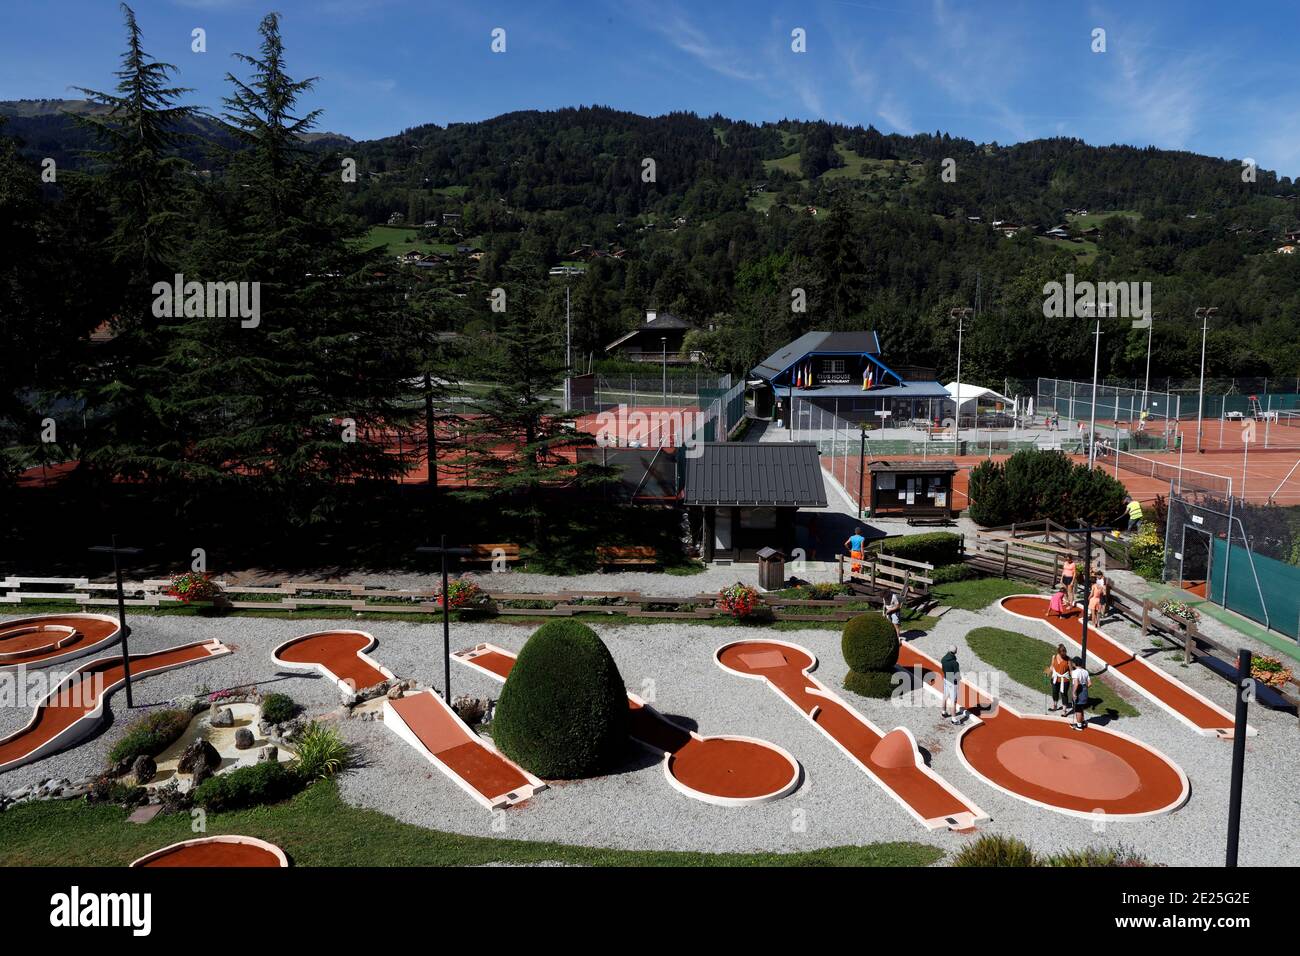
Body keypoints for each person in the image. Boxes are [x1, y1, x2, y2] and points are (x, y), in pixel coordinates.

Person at [1044, 644, 1072, 713]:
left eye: (1065, 654)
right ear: (1059, 653)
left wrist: (1075, 679)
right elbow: (1051, 666)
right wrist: (1046, 672)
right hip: (1055, 678)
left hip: (1064, 680)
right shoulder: (1054, 657)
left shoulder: (1068, 660)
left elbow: (1071, 671)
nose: (1064, 656)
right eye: (1063, 655)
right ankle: (1055, 706)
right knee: (1054, 692)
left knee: (1064, 694)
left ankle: (1064, 710)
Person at [940, 645, 964, 724]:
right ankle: (954, 719)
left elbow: (943, 669)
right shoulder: (955, 663)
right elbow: (957, 676)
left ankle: (943, 712)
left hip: (946, 679)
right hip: (952, 683)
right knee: (953, 701)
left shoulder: (943, 659)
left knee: (945, 697)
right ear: (955, 652)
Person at [1070, 656, 1092, 730]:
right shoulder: (1085, 671)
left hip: (1078, 691)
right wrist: (1084, 688)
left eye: (1073, 662)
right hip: (1084, 691)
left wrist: (1074, 693)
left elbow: (1076, 683)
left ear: (1075, 663)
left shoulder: (1075, 672)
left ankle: (1079, 725)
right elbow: (1089, 684)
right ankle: (1082, 721)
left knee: (1078, 709)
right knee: (1081, 707)